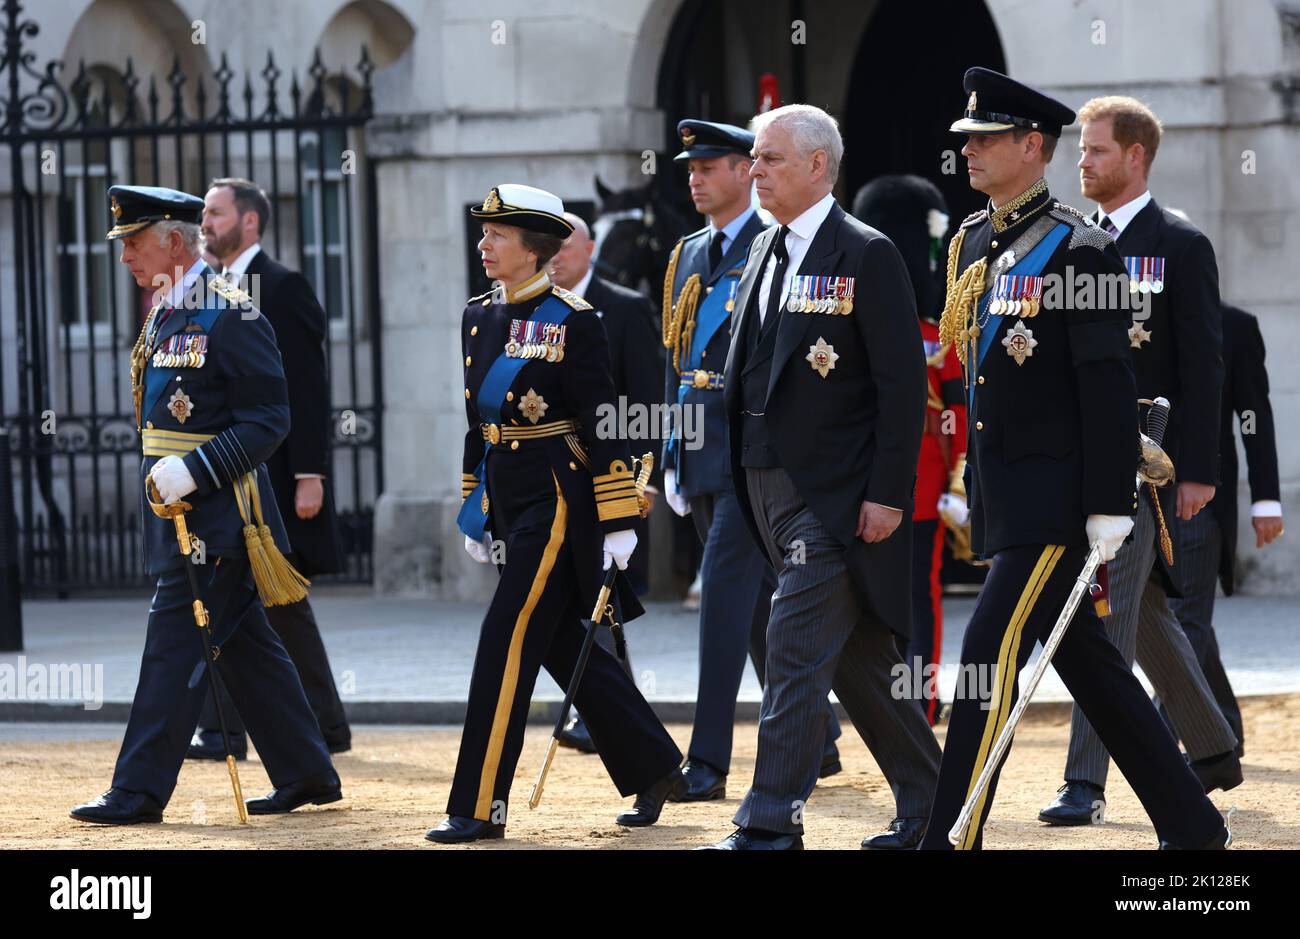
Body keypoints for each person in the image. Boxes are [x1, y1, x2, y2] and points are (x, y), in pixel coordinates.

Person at [918, 69, 1230, 850]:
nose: (971, 153)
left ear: (1034, 146)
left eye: (987, 140)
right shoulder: (976, 240)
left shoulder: (1080, 248)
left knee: (987, 659)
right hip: (1011, 495)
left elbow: (1104, 381)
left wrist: (1106, 505)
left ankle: (948, 836)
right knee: (1091, 667)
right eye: (967, 140)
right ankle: (1193, 824)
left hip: (1058, 503)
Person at [706, 105, 941, 851]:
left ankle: (771, 819)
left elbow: (904, 386)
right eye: (753, 159)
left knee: (793, 648)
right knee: (858, 660)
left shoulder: (865, 253)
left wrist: (887, 494)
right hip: (763, 487)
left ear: (816, 165)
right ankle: (936, 800)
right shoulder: (764, 250)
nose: (754, 172)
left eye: (769, 159)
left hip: (837, 497)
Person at [70, 185, 341, 824]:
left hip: (218, 518)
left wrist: (194, 471)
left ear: (171, 239)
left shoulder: (232, 314)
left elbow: (270, 419)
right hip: (181, 512)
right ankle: (306, 771)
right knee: (247, 645)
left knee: (172, 646)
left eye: (134, 243)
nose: (125, 257)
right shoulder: (168, 310)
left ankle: (137, 790)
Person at [426, 184, 684, 844]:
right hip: (508, 498)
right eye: (483, 234)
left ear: (535, 249)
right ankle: (656, 765)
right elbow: (476, 421)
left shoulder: (576, 319)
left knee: (505, 637)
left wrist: (620, 517)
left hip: (558, 499)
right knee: (562, 641)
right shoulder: (476, 316)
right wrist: (473, 503)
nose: (483, 244)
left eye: (497, 236)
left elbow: (604, 423)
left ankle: (480, 804)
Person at [1040, 96, 1240, 826]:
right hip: (1082, 453)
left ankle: (1084, 783)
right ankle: (1214, 746)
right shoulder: (1065, 241)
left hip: (1145, 463)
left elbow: (1203, 365)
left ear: (1135, 156)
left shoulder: (1181, 244)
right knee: (1147, 611)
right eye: (1081, 149)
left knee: (1102, 614)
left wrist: (1199, 469)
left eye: (1095, 150)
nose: (1082, 161)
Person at [661, 119, 841, 803]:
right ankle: (817, 731)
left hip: (759, 449)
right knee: (761, 597)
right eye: (690, 168)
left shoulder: (778, 248)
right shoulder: (687, 254)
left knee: (722, 599)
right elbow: (674, 360)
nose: (696, 178)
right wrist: (668, 451)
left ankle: (706, 757)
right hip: (702, 445)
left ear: (745, 172)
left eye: (712, 165)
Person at [186, 177, 352, 761]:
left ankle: (324, 726)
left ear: (249, 222)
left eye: (214, 212)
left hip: (276, 479)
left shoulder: (283, 287)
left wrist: (311, 472)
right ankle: (223, 728)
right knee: (227, 600)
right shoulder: (204, 289)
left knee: (282, 604)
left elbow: (308, 386)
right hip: (224, 477)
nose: (204, 222)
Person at [852, 174, 966, 727]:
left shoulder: (931, 332)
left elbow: (957, 413)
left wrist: (959, 481)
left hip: (880, 483)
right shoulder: (932, 335)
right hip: (915, 485)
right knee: (915, 600)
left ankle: (912, 703)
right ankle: (907, 704)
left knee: (907, 599)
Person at [544, 211, 659, 753]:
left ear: (589, 250)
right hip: (557, 479)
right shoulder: (534, 310)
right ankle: (606, 712)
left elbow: (647, 402)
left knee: (604, 595)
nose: (557, 255)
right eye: (550, 245)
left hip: (612, 477)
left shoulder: (626, 308)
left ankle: (608, 715)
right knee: (589, 599)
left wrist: (645, 477)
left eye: (566, 245)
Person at [1168, 300, 1284, 751]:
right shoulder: (1122, 311)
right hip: (1134, 493)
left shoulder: (1234, 326)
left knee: (1186, 619)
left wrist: (1266, 499)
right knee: (1179, 618)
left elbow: (1253, 416)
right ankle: (1225, 732)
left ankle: (1158, 737)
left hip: (1201, 497)